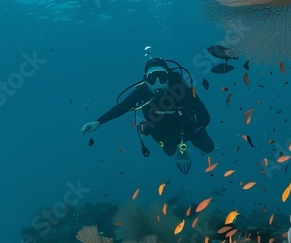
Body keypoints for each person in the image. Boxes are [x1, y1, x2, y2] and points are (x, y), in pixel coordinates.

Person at [81, 58, 213, 173]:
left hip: (189, 126)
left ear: (168, 76)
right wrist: (99, 122)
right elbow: (121, 107)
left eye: (161, 77)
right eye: (152, 77)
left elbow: (206, 117)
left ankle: (189, 141)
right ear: (146, 79)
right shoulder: (142, 92)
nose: (157, 82)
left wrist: (195, 129)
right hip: (163, 129)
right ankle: (179, 142)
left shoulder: (180, 88)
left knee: (209, 148)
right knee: (169, 151)